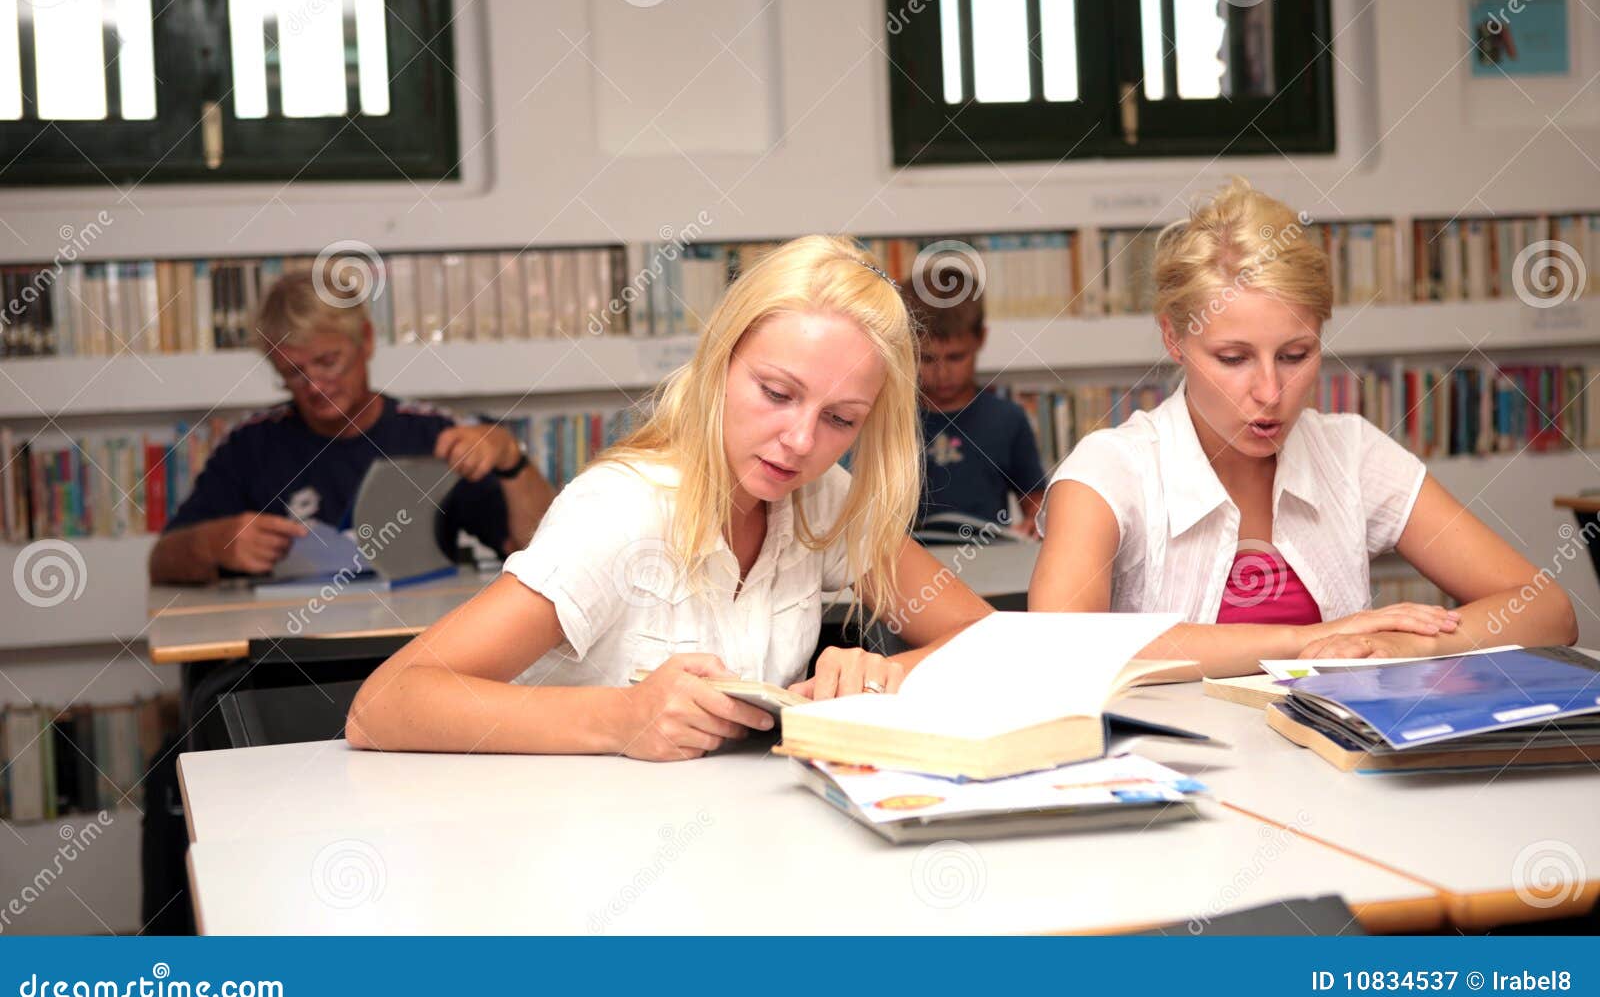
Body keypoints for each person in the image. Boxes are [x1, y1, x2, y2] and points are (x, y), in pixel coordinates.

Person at [346, 235, 994, 759]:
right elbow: (382, 706)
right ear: (719, 361)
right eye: (776, 392)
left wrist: (884, 677)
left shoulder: (821, 495)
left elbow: (983, 638)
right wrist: (622, 718)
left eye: (840, 419)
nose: (800, 441)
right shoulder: (619, 511)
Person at [1029, 179, 1577, 677]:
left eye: (1295, 355)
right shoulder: (1110, 469)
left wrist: (1410, 645)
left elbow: (1548, 610)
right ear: (1174, 338)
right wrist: (1306, 640)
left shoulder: (1351, 452)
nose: (1270, 392)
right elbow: (1060, 650)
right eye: (1233, 358)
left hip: (1340, 773)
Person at [147, 268, 554, 584]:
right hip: (289, 659)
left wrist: (510, 461)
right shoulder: (249, 445)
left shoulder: (434, 435)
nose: (314, 387)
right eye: (292, 373)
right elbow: (162, 563)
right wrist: (213, 544)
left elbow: (542, 554)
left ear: (367, 341)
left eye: (327, 362)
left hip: (412, 649)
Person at [899, 257, 1047, 536]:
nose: (942, 374)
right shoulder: (889, 418)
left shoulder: (1007, 419)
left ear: (981, 338)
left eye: (956, 357)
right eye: (928, 359)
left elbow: (1034, 502)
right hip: (904, 566)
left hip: (988, 564)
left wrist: (1036, 523)